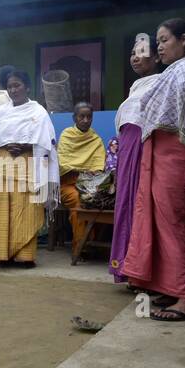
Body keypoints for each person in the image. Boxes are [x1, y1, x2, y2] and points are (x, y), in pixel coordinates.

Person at [121, 19, 185, 320]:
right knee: (161, 224)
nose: (159, 46)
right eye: (157, 41)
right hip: (161, 155)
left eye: (164, 40)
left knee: (180, 223)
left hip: (179, 154)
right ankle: (172, 286)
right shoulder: (172, 71)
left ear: (184, 40)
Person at [0, 70, 59, 266]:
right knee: (3, 209)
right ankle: (3, 255)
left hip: (28, 163)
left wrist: (27, 146)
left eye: (17, 85)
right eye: (10, 86)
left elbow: (48, 143)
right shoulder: (1, 112)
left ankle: (25, 256)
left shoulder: (38, 112)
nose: (13, 89)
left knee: (26, 208)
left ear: (27, 87)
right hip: (4, 163)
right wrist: (7, 145)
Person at [109, 35, 163, 282]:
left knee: (142, 206)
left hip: (145, 148)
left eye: (141, 51)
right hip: (127, 150)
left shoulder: (161, 83)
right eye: (132, 52)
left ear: (156, 56)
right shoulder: (135, 87)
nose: (135, 56)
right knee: (126, 206)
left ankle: (143, 272)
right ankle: (126, 267)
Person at [57, 102, 106, 258]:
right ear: (74, 118)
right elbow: (63, 163)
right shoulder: (66, 135)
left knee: (101, 201)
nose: (85, 120)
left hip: (91, 185)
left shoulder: (95, 139)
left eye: (89, 116)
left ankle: (93, 244)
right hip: (68, 185)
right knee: (80, 202)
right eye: (81, 116)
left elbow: (99, 166)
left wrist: (88, 174)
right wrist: (82, 170)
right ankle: (81, 247)